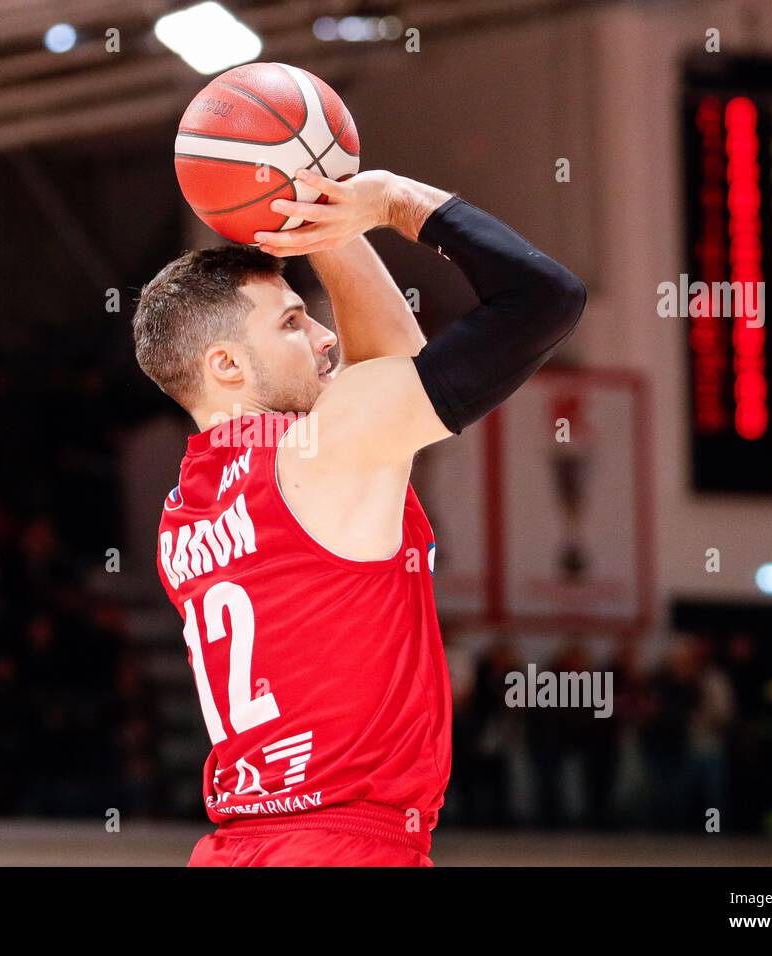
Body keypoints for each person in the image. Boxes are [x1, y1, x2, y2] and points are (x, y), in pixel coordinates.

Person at [132, 167, 586, 866]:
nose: (323, 338)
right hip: (342, 847)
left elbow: (389, 372)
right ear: (226, 365)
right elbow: (546, 298)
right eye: (291, 322)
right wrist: (397, 205)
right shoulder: (320, 451)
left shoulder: (184, 513)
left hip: (239, 847)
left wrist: (330, 228)